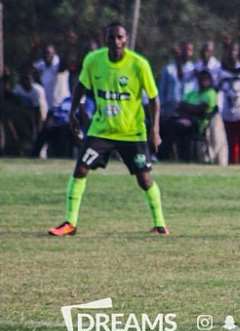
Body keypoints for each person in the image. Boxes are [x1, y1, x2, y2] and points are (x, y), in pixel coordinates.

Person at [48, 22, 168, 236]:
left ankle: (160, 224)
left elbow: (153, 99)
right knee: (80, 169)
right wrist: (72, 112)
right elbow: (81, 86)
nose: (116, 41)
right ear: (105, 39)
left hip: (132, 132)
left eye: (120, 37)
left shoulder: (139, 64)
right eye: (111, 37)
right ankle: (70, 223)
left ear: (126, 39)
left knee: (144, 179)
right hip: (101, 130)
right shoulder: (93, 60)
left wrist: (155, 130)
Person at [219, 43, 240, 164]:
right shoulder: (221, 69)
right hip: (227, 111)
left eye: (235, 51)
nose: (232, 53)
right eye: (230, 50)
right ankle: (232, 164)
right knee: (231, 142)